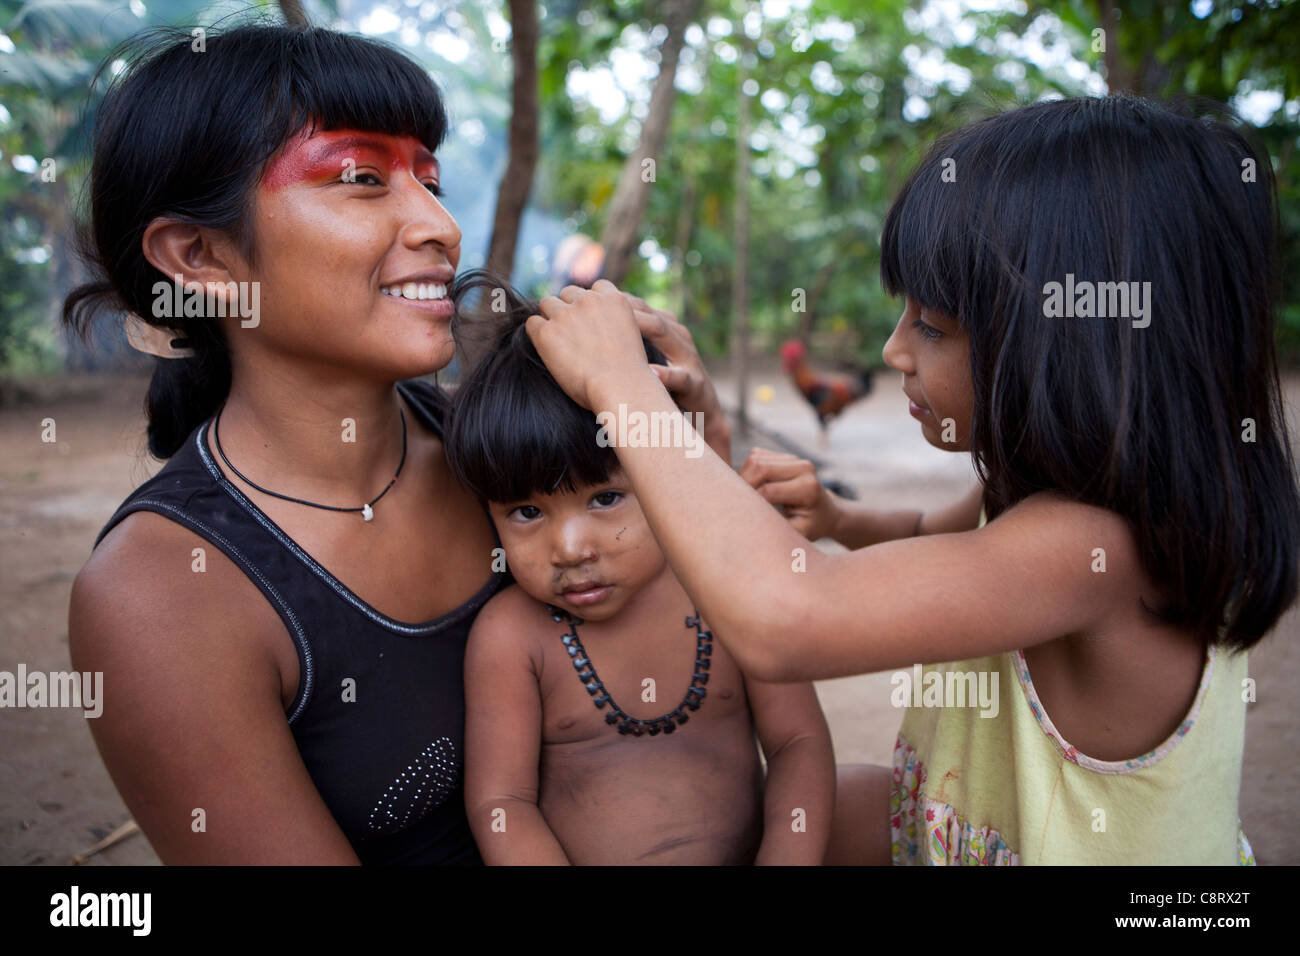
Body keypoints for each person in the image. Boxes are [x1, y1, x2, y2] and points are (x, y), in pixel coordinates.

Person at [521, 96, 1300, 864]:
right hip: (977, 828)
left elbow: (783, 618)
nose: (896, 351)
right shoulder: (1044, 503)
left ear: (1072, 346)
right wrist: (827, 512)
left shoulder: (1095, 548)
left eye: (931, 326)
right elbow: (934, 538)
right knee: (765, 816)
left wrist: (622, 391)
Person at [62, 21, 726, 864]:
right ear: (199, 255)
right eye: (362, 178)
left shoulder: (501, 449)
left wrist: (693, 440)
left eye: (431, 179)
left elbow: (714, 650)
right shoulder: (160, 595)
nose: (441, 224)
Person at [444, 276, 834, 865]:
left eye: (605, 499)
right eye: (526, 512)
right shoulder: (513, 638)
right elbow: (503, 804)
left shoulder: (729, 594)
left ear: (664, 473)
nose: (571, 547)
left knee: (870, 796)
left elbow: (797, 744)